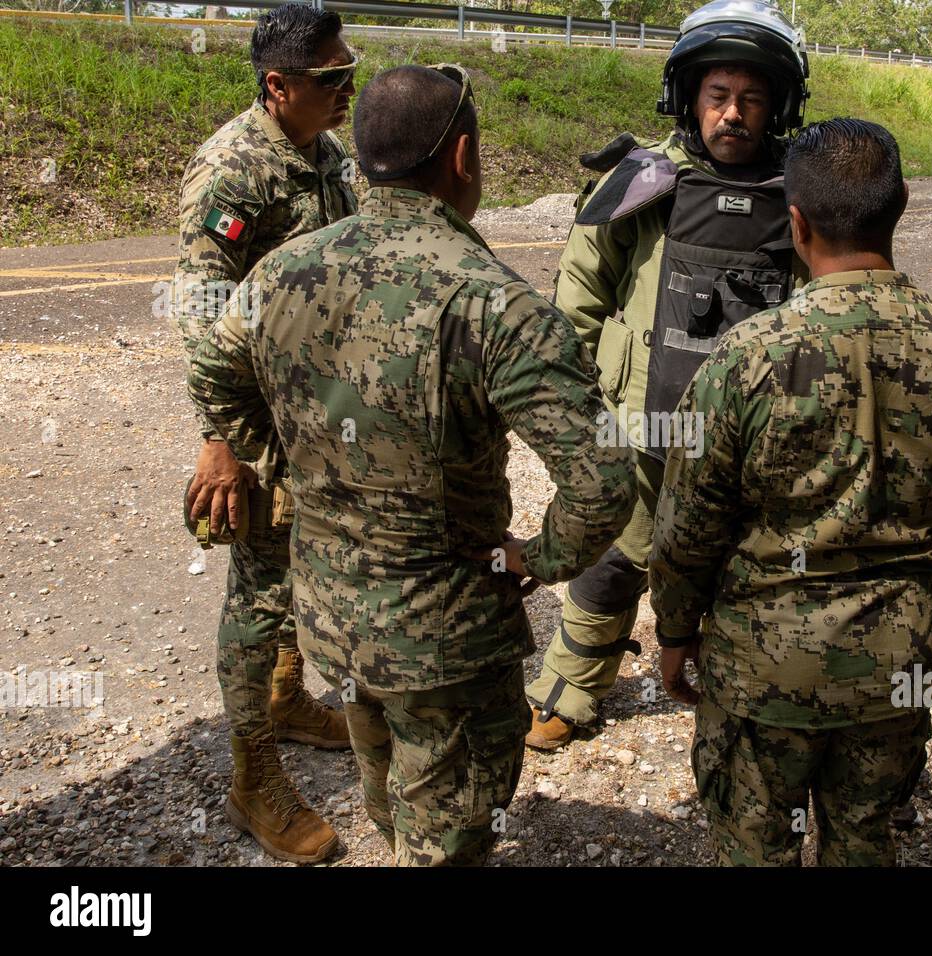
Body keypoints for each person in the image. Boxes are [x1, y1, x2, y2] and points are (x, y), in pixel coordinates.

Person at [188, 64, 636, 866]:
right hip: (445, 641)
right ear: (463, 157)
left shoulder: (282, 272)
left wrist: (277, 457)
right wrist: (537, 558)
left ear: (359, 159)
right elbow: (603, 479)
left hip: (330, 617)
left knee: (386, 785)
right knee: (448, 834)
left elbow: (214, 371)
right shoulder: (496, 304)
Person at [649, 118, 932, 865]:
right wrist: (915, 591)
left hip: (762, 674)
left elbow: (686, 524)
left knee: (754, 851)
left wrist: (675, 630)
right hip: (895, 666)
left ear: (795, 220)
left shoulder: (748, 356)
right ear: (902, 202)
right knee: (864, 843)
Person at [526, 0, 812, 751]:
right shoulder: (639, 181)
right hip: (641, 425)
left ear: (778, 105)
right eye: (717, 96)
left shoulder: (804, 196)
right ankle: (568, 688)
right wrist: (578, 413)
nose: (733, 115)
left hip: (757, 436)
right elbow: (580, 294)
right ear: (687, 97)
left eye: (751, 99)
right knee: (619, 555)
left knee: (754, 566)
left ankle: (744, 691)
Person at [175, 1, 358, 862]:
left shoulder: (328, 157)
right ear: (279, 85)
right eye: (330, 78)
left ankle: (285, 695)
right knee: (259, 585)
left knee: (296, 565)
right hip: (257, 421)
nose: (346, 88)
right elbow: (199, 305)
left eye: (350, 70)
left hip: (320, 412)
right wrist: (220, 441)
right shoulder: (233, 170)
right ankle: (253, 773)